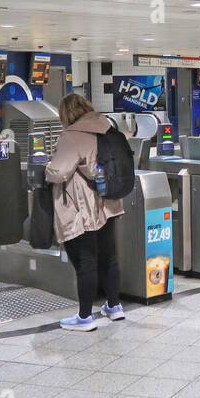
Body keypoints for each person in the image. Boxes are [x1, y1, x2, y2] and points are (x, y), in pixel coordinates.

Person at [46, 94, 125, 331]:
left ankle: (84, 317)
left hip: (84, 207)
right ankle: (114, 306)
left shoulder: (72, 136)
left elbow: (59, 172)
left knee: (85, 260)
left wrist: (47, 168)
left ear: (66, 115)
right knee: (109, 256)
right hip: (109, 201)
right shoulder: (107, 127)